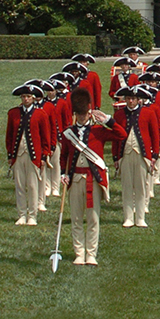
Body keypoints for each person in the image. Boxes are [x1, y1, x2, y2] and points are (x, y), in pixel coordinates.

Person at [60, 89, 127, 265]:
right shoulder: (68, 133)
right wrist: (63, 173)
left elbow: (122, 135)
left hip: (93, 179)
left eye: (84, 115)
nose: (82, 118)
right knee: (76, 218)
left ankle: (91, 253)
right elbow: (64, 156)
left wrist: (108, 120)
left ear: (89, 113)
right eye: (79, 115)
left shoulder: (98, 130)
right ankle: (79, 253)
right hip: (75, 180)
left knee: (93, 218)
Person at [112, 85, 160, 228]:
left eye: (133, 99)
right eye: (128, 99)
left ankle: (140, 217)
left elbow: (155, 135)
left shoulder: (148, 113)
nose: (131, 101)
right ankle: (128, 218)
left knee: (140, 187)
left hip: (142, 154)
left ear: (138, 100)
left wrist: (154, 155)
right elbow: (115, 137)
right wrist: (115, 157)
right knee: (126, 187)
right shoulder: (119, 115)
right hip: (125, 155)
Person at [6, 80, 52, 226]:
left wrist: (44, 155)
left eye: (29, 97)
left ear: (34, 98)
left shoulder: (40, 114)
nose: (26, 99)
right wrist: (10, 155)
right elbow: (9, 135)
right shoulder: (13, 113)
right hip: (18, 154)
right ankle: (21, 214)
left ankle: (32, 215)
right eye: (23, 96)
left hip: (34, 155)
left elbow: (46, 137)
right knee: (19, 185)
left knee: (33, 186)